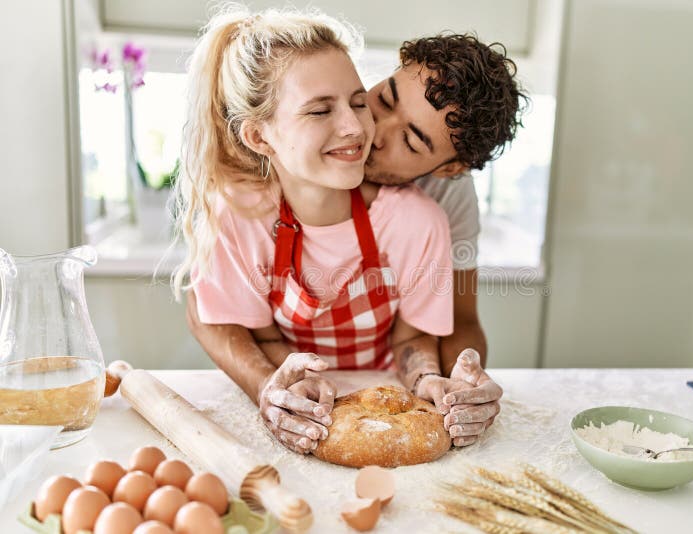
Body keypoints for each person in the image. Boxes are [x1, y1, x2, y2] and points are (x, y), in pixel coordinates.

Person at [184, 10, 528, 451]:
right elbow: (210, 314)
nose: (365, 131)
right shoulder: (245, 199)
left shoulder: (434, 210)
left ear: (449, 170)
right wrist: (271, 388)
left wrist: (455, 382)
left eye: (411, 141)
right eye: (381, 101)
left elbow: (454, 324)